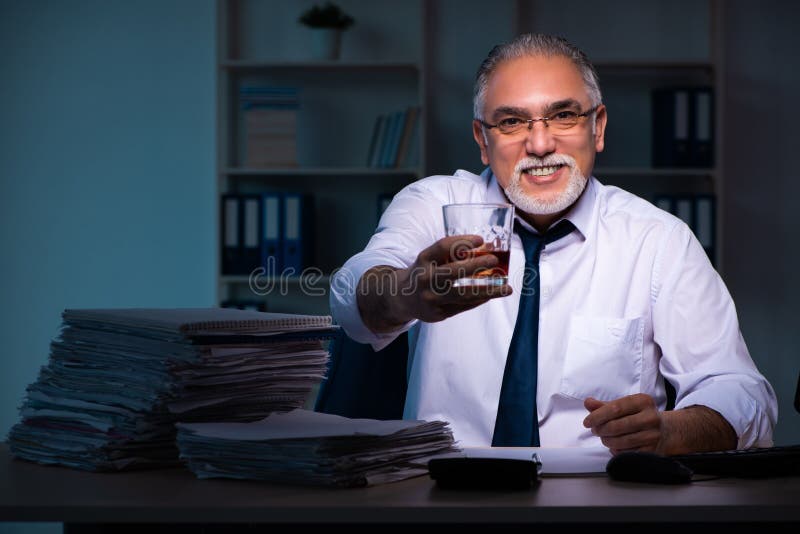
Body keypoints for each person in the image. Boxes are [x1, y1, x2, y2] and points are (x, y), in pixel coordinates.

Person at [329, 33, 778, 455]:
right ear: (482, 141)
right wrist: (407, 293)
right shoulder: (435, 207)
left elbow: (742, 390)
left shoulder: (657, 240)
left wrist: (670, 431)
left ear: (597, 127)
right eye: (510, 122)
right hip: (443, 494)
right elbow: (350, 297)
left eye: (564, 115)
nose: (540, 144)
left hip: (600, 502)